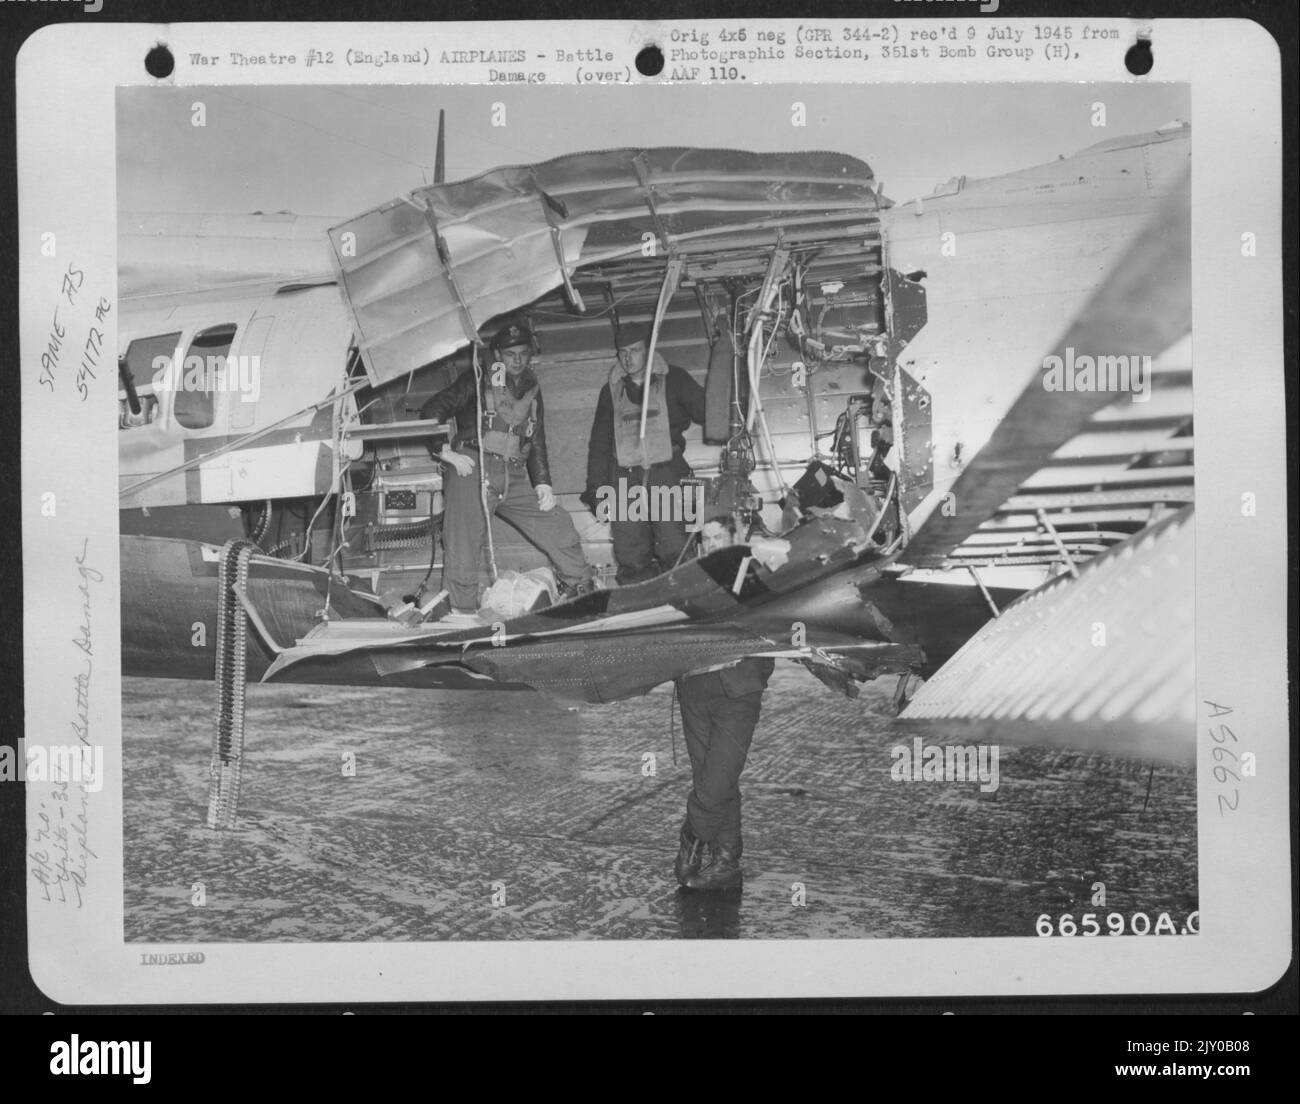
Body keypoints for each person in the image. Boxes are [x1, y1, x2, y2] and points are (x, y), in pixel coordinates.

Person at [420, 318, 593, 615]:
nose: (517, 360)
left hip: (511, 473)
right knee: (463, 544)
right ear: (498, 355)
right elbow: (432, 410)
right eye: (510, 354)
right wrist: (445, 452)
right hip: (471, 468)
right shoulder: (477, 377)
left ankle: (580, 590)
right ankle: (461, 614)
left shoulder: (531, 389)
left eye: (523, 353)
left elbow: (535, 437)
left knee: (557, 523)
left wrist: (543, 483)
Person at [673, 515, 774, 891]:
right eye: (705, 539)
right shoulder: (687, 581)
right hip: (694, 690)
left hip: (737, 692)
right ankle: (727, 862)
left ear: (736, 537)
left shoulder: (756, 580)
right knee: (714, 779)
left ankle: (691, 839)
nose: (711, 545)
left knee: (716, 781)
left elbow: (776, 632)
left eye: (719, 537)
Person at [582, 323, 707, 584]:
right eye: (622, 352)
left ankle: (687, 605)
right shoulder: (611, 392)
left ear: (649, 350)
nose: (628, 358)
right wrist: (596, 490)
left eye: (635, 351)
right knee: (631, 554)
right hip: (625, 479)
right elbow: (600, 444)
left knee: (678, 548)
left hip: (668, 474)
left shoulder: (675, 379)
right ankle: (641, 610)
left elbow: (708, 413)